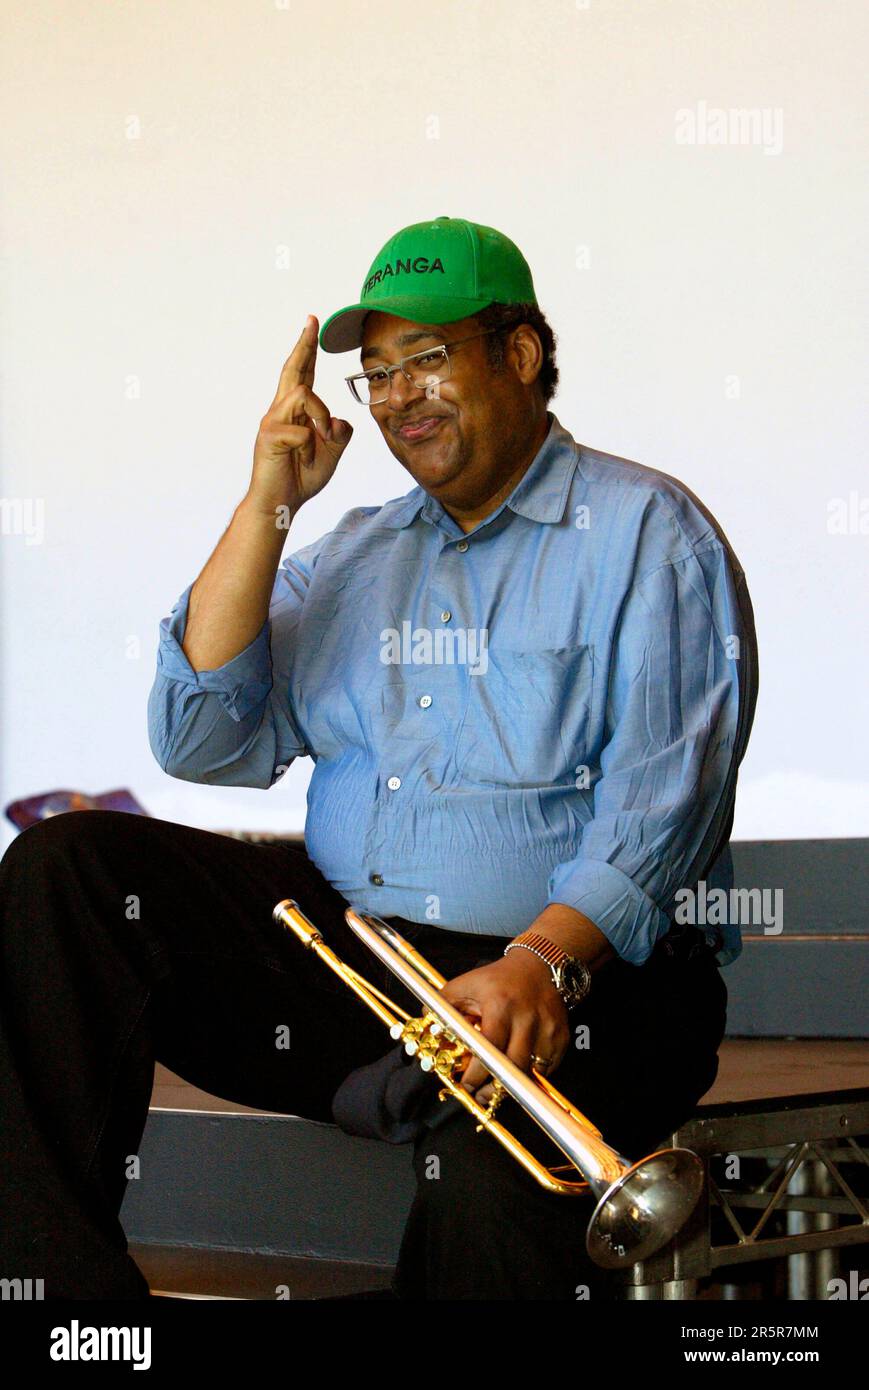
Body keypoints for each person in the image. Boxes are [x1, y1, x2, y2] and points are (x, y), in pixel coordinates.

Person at [0, 215, 758, 1301]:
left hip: (585, 977)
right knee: (65, 871)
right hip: (368, 965)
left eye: (428, 357)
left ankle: (434, 1102)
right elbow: (200, 735)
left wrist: (539, 960)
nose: (398, 394)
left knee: (488, 1186)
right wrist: (271, 496)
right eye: (377, 373)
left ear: (520, 355)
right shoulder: (354, 551)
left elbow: (665, 805)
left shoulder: (646, 531)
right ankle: (52, 1306)